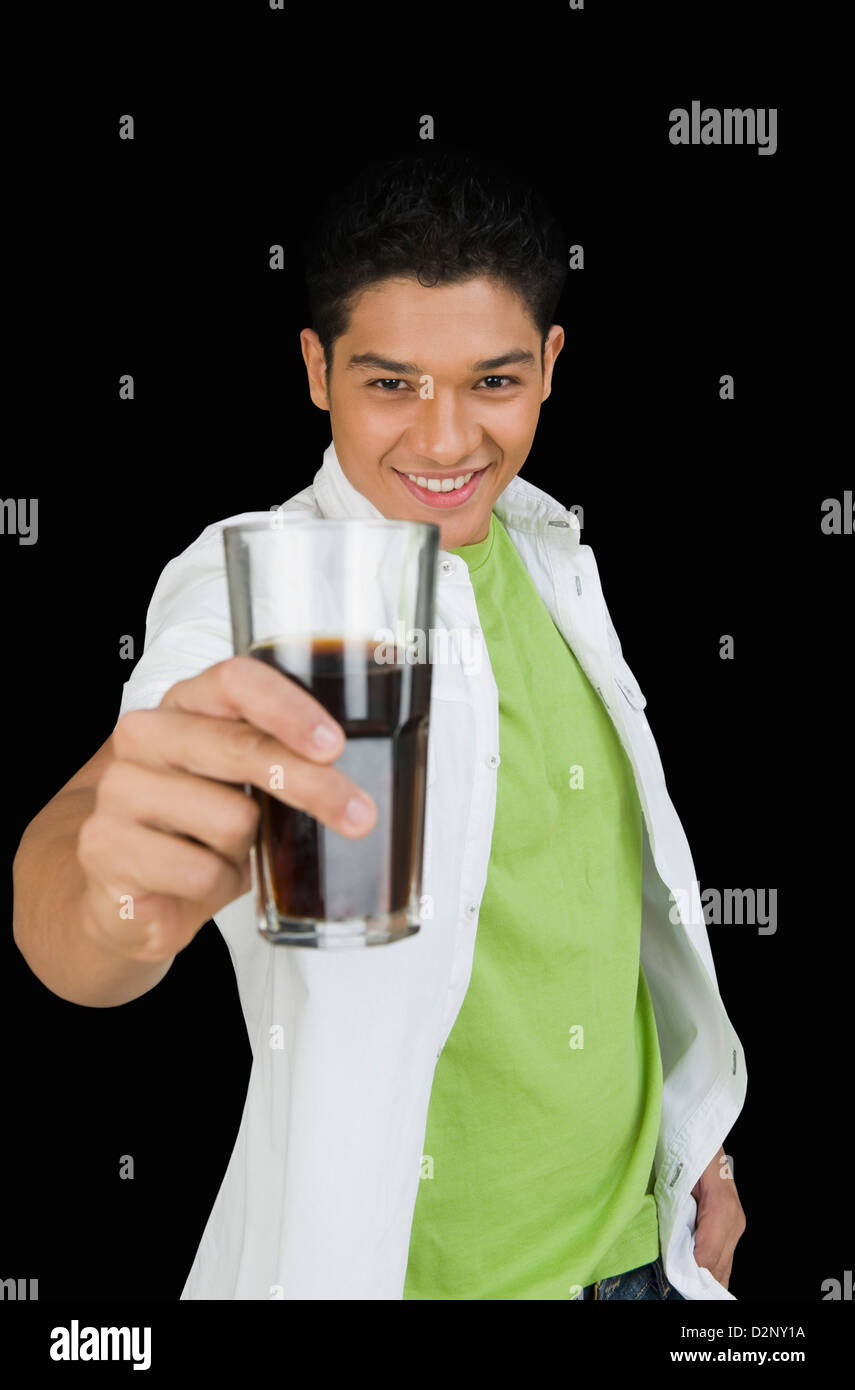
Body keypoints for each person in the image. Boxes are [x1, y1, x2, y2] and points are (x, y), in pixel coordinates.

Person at [12, 150, 746, 1300]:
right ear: (317, 368)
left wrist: (697, 1143)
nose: (447, 441)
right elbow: (84, 889)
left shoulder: (558, 561)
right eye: (391, 384)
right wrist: (115, 898)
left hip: (643, 1262)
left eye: (492, 384)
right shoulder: (266, 586)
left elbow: (598, 921)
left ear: (551, 367)